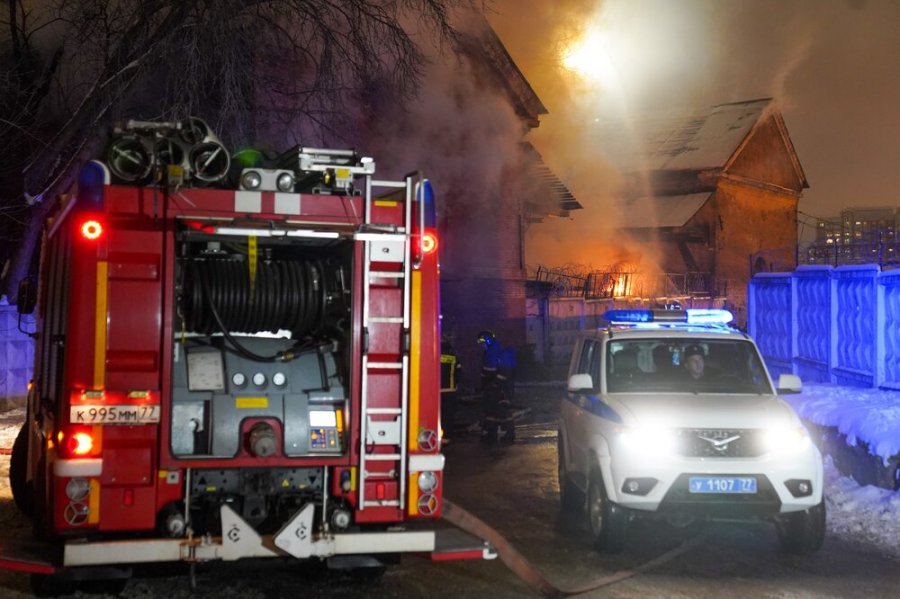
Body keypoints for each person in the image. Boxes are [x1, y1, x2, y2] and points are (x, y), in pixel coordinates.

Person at [476, 330, 516, 444]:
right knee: (492, 410)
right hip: (495, 387)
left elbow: (493, 371)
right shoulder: (494, 349)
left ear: (487, 340)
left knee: (502, 411)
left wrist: (494, 384)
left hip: (500, 387)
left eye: (482, 342)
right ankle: (491, 433)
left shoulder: (493, 351)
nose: (481, 345)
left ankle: (507, 433)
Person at [440, 340, 461, 439]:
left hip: (436, 391)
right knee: (448, 415)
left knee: (438, 415)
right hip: (450, 391)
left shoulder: (434, 356)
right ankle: (447, 437)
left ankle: (437, 436)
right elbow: (459, 373)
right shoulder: (454, 358)